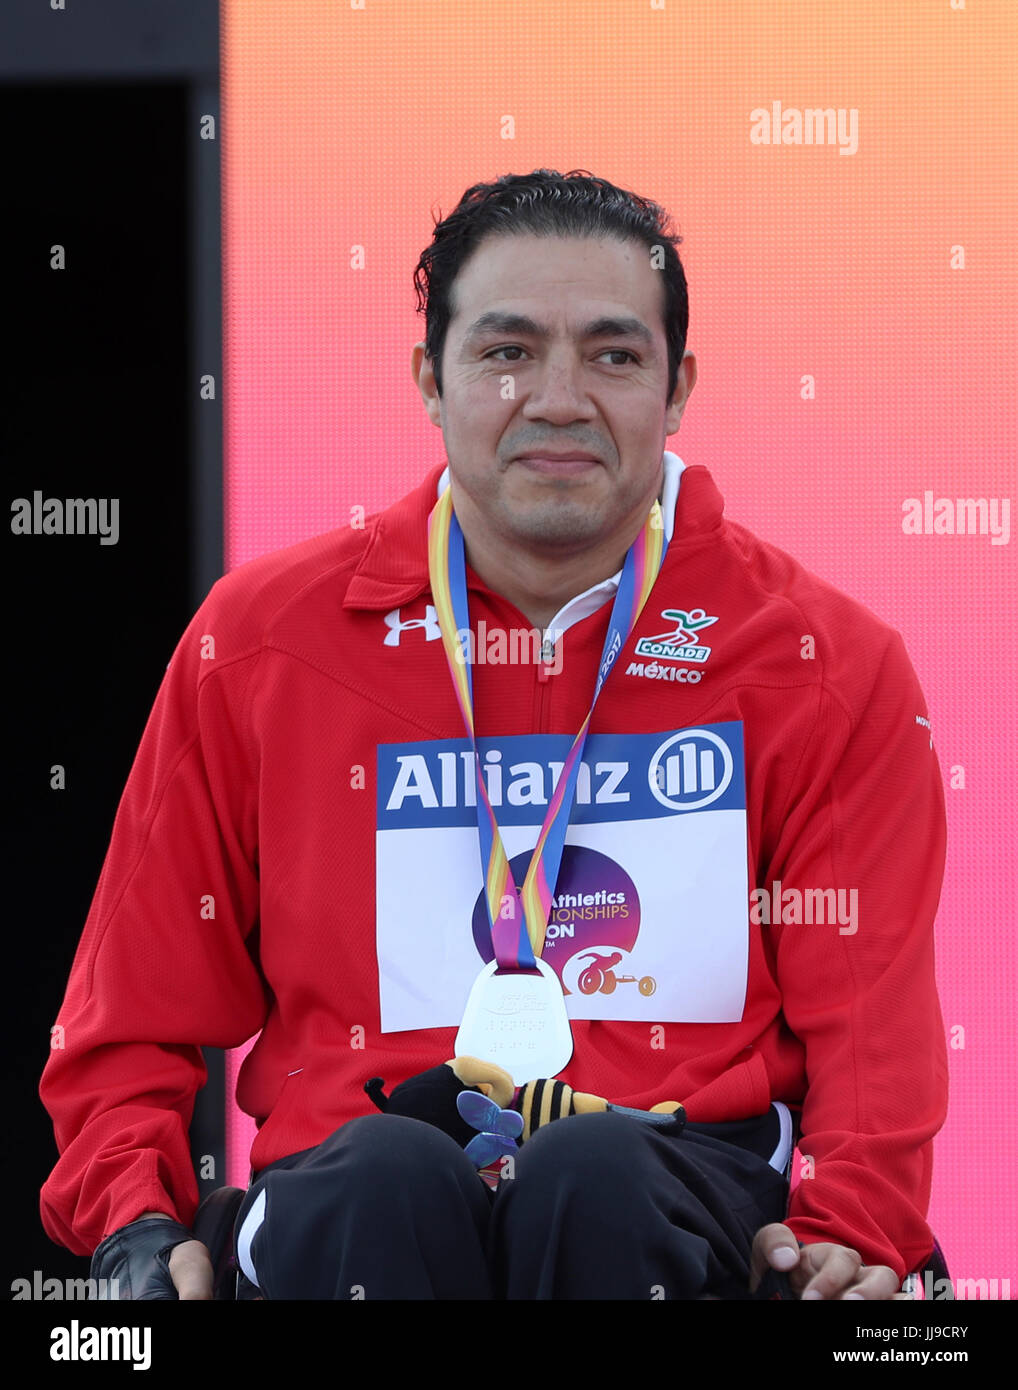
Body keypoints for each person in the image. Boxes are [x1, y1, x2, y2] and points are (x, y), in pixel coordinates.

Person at [39, 169, 947, 1301]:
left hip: (678, 1198)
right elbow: (128, 1017)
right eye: (506, 351)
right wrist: (134, 1222)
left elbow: (871, 1033)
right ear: (431, 378)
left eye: (613, 355)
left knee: (594, 1175)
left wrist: (855, 1230)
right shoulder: (263, 643)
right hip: (352, 1199)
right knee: (384, 1179)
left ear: (678, 390)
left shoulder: (821, 660)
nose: (558, 398)